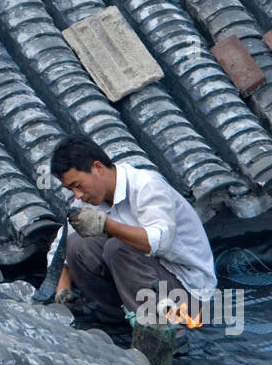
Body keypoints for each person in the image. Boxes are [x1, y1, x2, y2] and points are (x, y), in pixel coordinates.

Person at [49, 135, 216, 342]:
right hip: (139, 293)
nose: (77, 195)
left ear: (98, 167)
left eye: (78, 185)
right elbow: (60, 248)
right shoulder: (88, 202)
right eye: (71, 189)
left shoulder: (147, 186)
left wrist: (106, 225)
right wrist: (63, 291)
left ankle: (164, 334)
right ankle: (115, 319)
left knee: (117, 248)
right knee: (77, 244)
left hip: (187, 296)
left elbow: (159, 241)